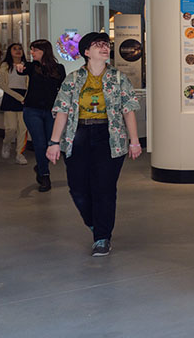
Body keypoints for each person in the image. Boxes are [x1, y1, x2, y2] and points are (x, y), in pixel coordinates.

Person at [46, 32, 142, 257]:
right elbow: (62, 111)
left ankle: (102, 236)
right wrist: (53, 142)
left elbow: (128, 111)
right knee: (78, 188)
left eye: (106, 44)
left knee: (104, 189)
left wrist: (135, 142)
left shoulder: (119, 78)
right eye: (97, 45)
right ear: (86, 52)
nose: (104, 47)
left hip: (110, 136)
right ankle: (94, 222)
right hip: (77, 135)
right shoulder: (73, 79)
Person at [17, 39, 67, 192]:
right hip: (32, 110)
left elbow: (63, 89)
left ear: (44, 51)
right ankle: (45, 176)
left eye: (34, 50)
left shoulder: (59, 68)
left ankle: (40, 166)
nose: (31, 53)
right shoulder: (32, 66)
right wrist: (20, 67)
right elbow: (22, 68)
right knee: (39, 143)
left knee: (49, 143)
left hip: (51, 111)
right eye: (31, 50)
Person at [0, 43, 29, 165]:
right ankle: (6, 143)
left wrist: (25, 97)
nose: (18, 51)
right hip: (10, 97)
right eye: (14, 49)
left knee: (23, 128)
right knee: (11, 128)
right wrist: (18, 97)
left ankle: (19, 153)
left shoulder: (27, 65)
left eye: (20, 49)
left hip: (25, 98)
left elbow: (29, 84)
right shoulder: (5, 66)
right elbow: (2, 84)